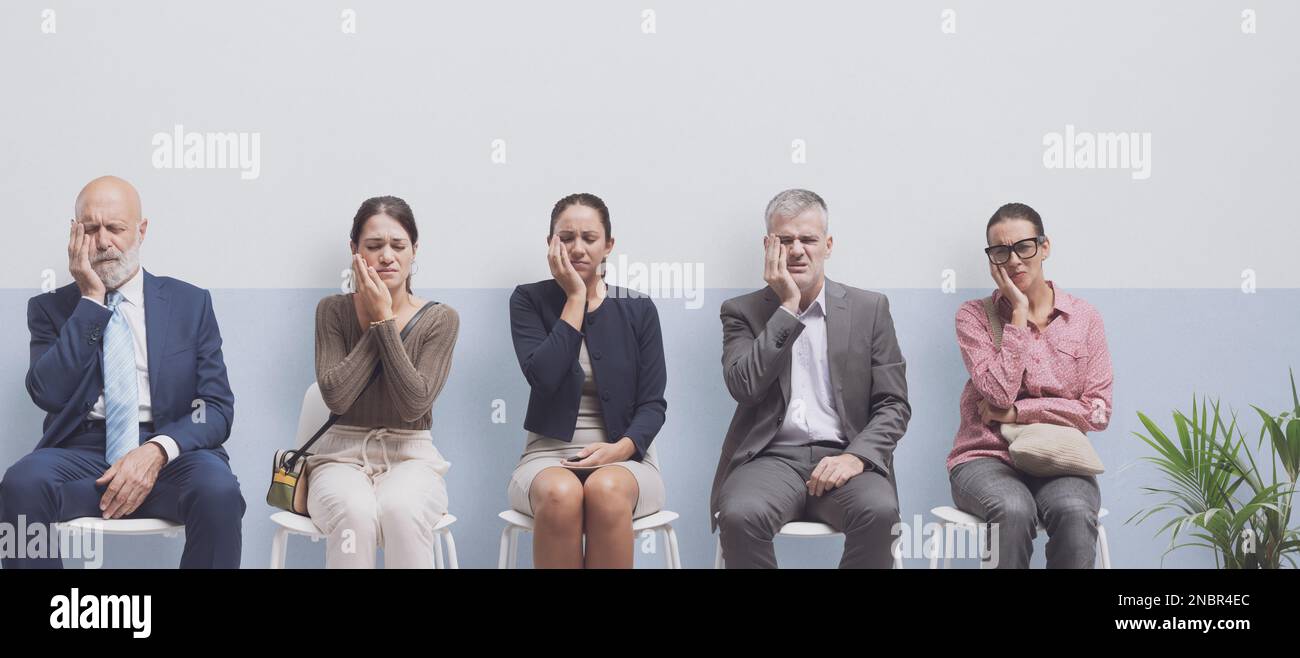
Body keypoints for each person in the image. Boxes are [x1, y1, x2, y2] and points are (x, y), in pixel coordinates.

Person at [1, 175, 244, 568]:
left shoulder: (190, 303)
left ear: (141, 231)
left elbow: (216, 409)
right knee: (22, 484)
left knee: (218, 491)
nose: (103, 241)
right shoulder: (49, 309)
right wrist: (92, 301)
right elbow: (47, 393)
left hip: (169, 456)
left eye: (115, 228)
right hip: (83, 454)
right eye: (91, 229)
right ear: (75, 233)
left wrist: (156, 450)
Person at [712, 188, 910, 568]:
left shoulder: (871, 309)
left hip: (846, 457)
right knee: (739, 515)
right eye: (785, 240)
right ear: (768, 246)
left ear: (828, 244)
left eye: (808, 239)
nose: (797, 250)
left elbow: (893, 404)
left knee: (880, 513)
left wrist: (856, 457)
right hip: (768, 460)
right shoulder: (741, 312)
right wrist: (787, 308)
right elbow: (745, 387)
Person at [947, 202, 1113, 568]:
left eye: (1024, 247)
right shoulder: (973, 316)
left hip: (1059, 460)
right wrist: (1018, 314)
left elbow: (1098, 411)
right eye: (1001, 251)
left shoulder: (1084, 318)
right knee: (1013, 509)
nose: (1014, 260)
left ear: (1044, 247)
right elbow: (997, 393)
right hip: (986, 457)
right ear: (991, 259)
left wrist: (1021, 412)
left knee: (1073, 511)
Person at [507, 193, 667, 568]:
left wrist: (622, 449)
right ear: (550, 243)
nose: (577, 248)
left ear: (608, 245)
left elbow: (653, 404)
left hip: (627, 458)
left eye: (589, 238)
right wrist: (576, 297)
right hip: (547, 456)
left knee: (606, 489)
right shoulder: (528, 300)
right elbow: (544, 378)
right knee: (562, 494)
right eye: (566, 237)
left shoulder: (638, 309)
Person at [309, 195, 460, 569]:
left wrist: (383, 321)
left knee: (401, 509)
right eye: (374, 246)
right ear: (355, 251)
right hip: (339, 456)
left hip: (412, 455)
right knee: (354, 512)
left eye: (398, 246)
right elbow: (337, 397)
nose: (387, 256)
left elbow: (414, 403)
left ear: (414, 250)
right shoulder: (333, 310)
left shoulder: (440, 319)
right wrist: (380, 319)